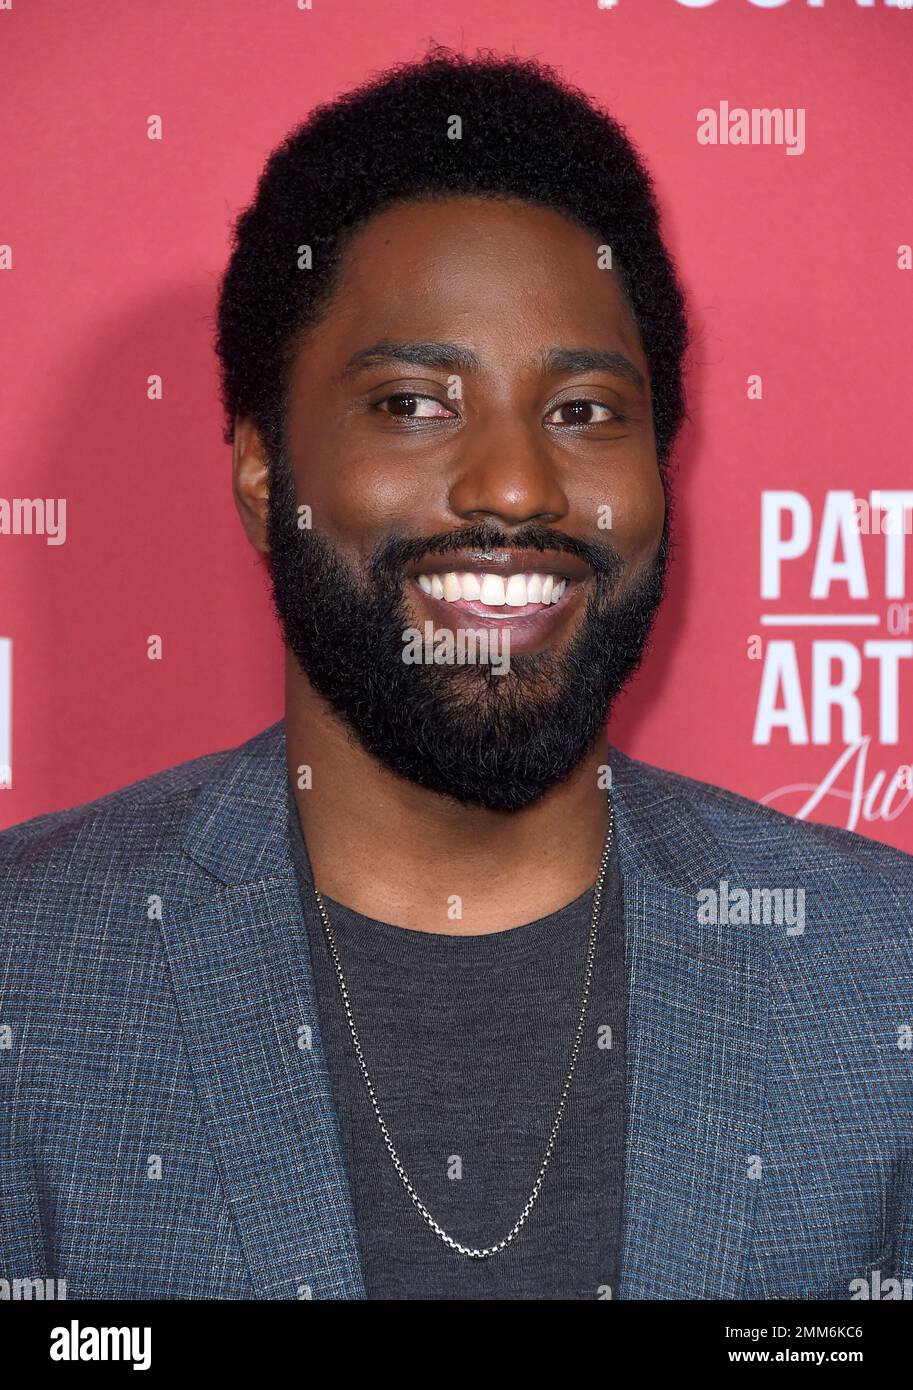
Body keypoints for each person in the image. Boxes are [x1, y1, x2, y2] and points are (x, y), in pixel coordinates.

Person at [1, 47, 911, 1302]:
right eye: (417, 402)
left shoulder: (879, 973)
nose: (517, 486)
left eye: (586, 410)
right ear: (266, 477)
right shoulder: (32, 968)